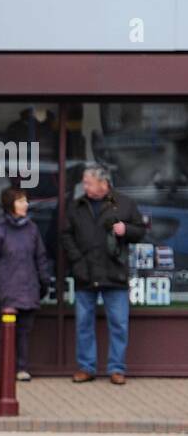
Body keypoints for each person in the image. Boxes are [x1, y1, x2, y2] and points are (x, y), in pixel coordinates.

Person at [60, 164, 146, 384]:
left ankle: (117, 368)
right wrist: (77, 261)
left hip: (114, 273)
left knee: (118, 324)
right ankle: (86, 367)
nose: (84, 186)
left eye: (88, 182)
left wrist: (126, 230)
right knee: (84, 324)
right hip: (85, 273)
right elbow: (66, 235)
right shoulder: (77, 205)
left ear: (103, 183)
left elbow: (140, 231)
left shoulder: (124, 203)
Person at [0, 187, 53, 382]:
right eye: (21, 201)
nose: (26, 205)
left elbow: (40, 257)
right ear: (10, 205)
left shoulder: (32, 229)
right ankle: (7, 368)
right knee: (8, 332)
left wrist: (44, 281)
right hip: (7, 290)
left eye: (26, 201)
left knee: (25, 332)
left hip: (29, 289)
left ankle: (22, 367)